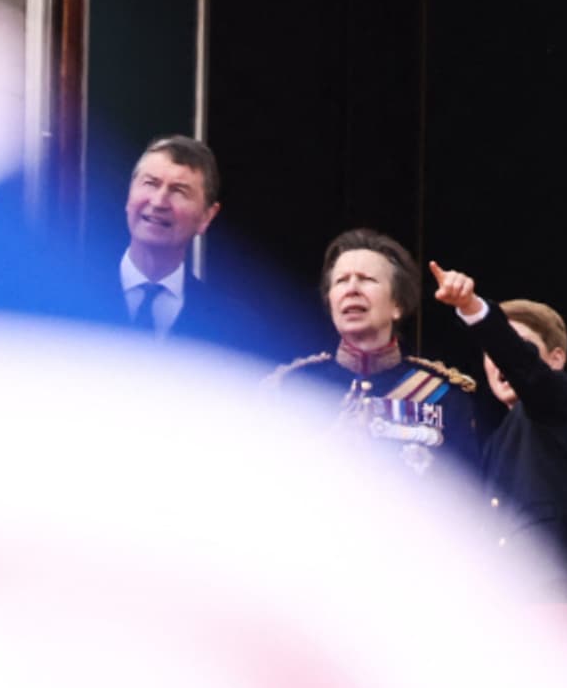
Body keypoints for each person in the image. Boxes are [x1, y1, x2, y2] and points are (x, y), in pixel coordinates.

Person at [429, 262, 567, 592]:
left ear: (555, 359)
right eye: (490, 353)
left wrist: (473, 309)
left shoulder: (562, 400)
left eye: (519, 344)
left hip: (560, 594)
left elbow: (520, 363)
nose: (499, 360)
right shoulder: (497, 440)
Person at [268, 230, 491, 494]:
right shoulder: (291, 387)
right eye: (341, 281)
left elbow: (465, 499)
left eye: (366, 280)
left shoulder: (443, 395)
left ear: (397, 305)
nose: (351, 289)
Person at [111, 136, 292, 356]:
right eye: (150, 183)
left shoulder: (237, 329)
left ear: (207, 216)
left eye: (179, 191)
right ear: (129, 195)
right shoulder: (67, 293)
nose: (158, 202)